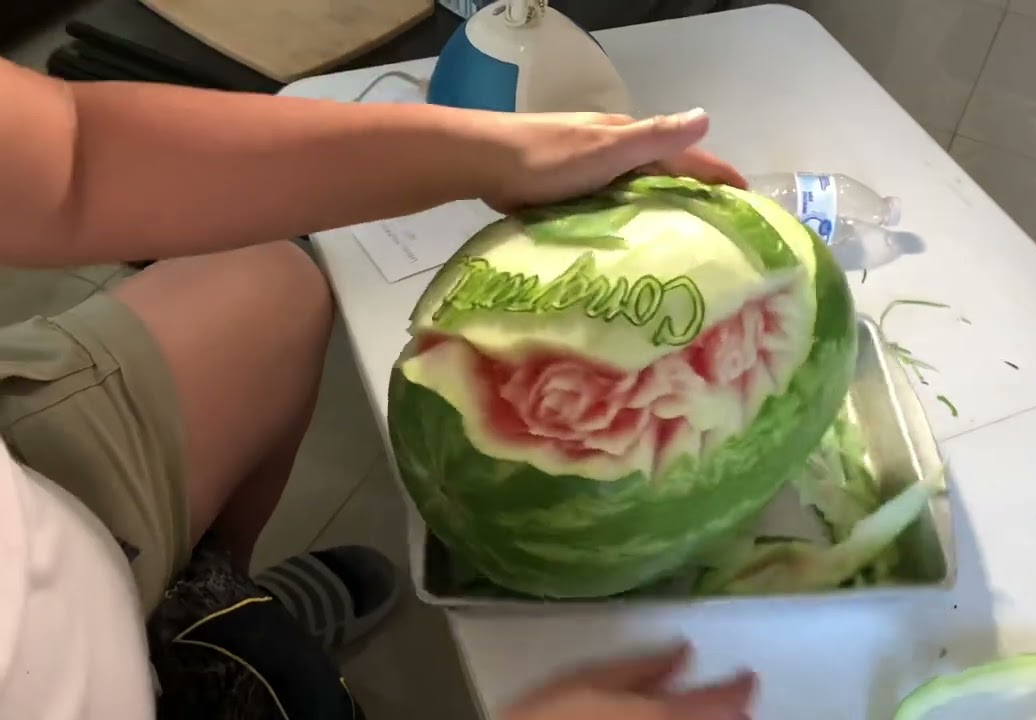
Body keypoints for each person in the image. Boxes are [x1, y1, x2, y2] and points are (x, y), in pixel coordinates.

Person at [0, 57, 757, 719]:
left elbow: (69, 158)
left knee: (270, 285)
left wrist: (496, 154)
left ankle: (211, 602)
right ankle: (207, 655)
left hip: (33, 496)